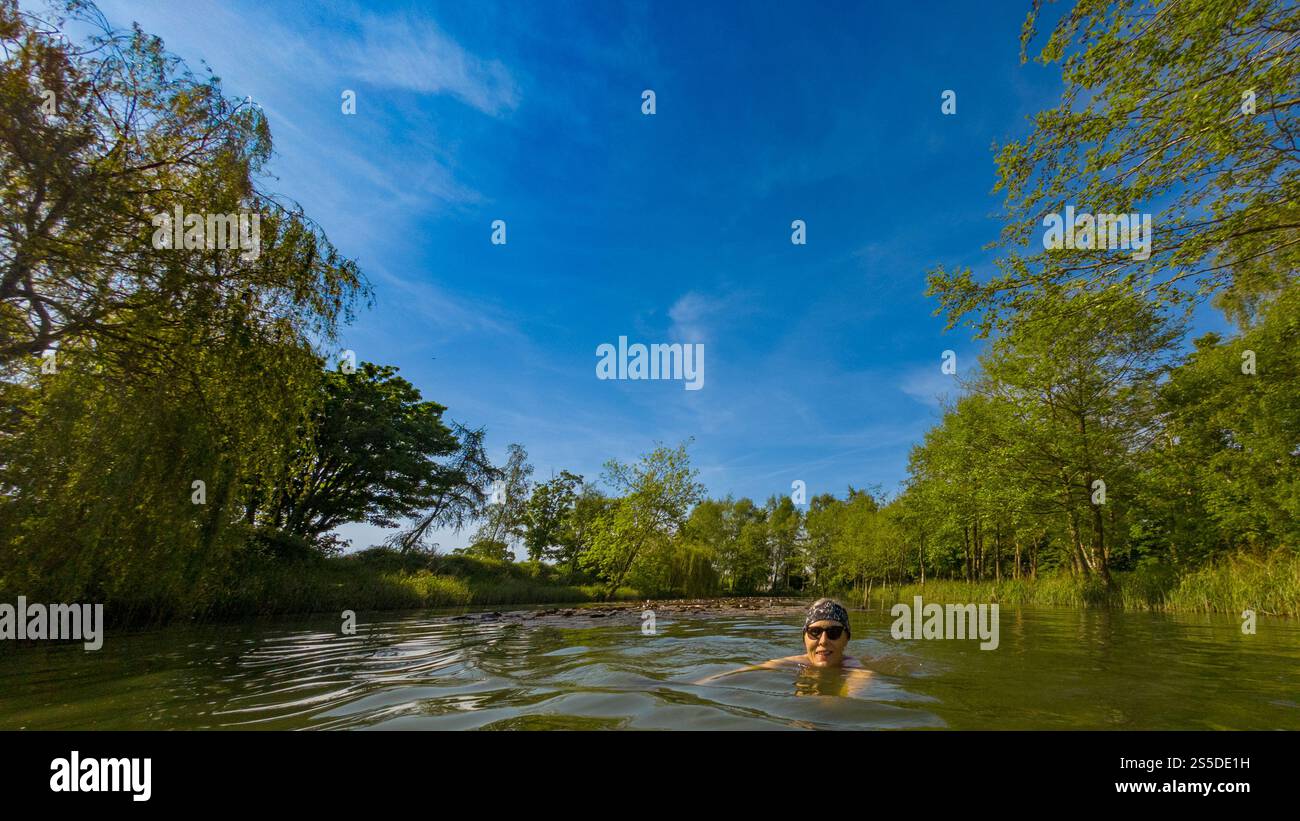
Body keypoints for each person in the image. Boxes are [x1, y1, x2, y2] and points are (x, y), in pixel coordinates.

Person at [695, 598, 872, 693]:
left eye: (833, 632)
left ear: (847, 638)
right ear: (804, 638)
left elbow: (856, 689)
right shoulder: (795, 662)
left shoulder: (854, 669)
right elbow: (752, 670)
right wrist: (701, 684)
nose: (823, 640)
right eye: (815, 632)